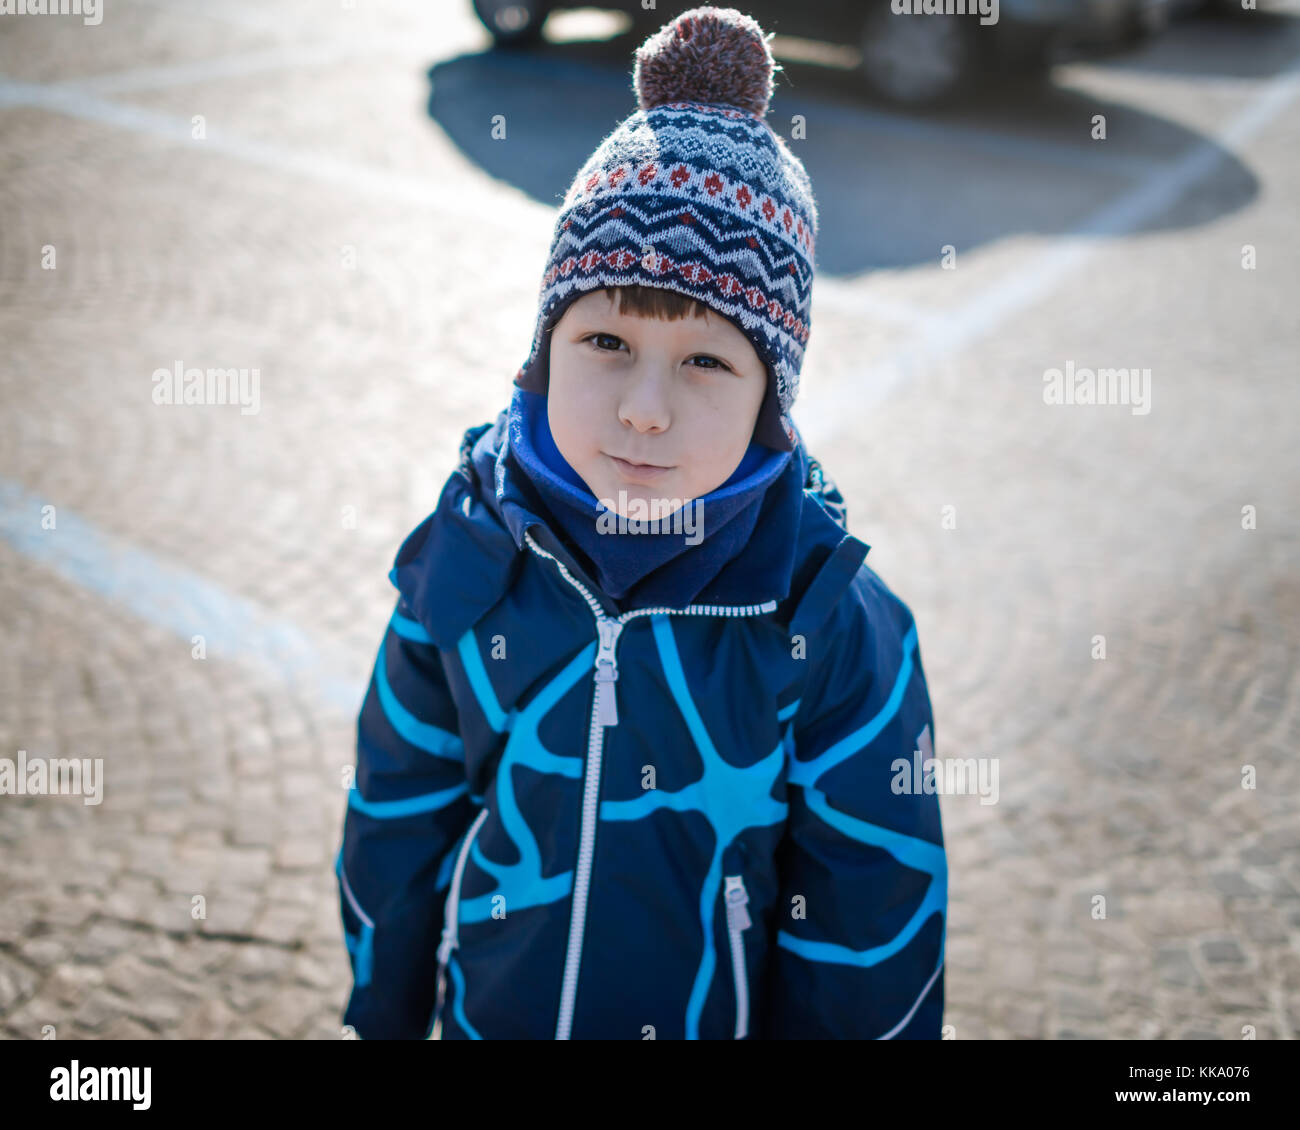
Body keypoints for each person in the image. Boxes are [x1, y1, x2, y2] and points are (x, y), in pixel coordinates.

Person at [335, 5, 946, 1040]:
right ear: (542, 351)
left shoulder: (830, 618)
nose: (643, 408)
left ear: (771, 400)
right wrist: (384, 1012)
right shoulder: (472, 548)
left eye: (706, 360)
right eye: (606, 340)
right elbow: (395, 813)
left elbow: (871, 914)